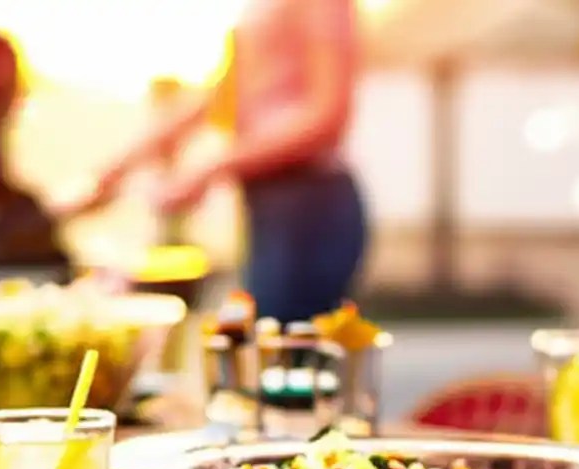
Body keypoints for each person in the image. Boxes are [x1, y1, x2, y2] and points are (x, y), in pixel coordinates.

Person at [77, 0, 366, 323]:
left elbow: (326, 115)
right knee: (263, 332)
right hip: (268, 203)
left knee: (285, 338)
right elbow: (220, 98)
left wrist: (211, 168)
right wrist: (113, 172)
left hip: (310, 202)